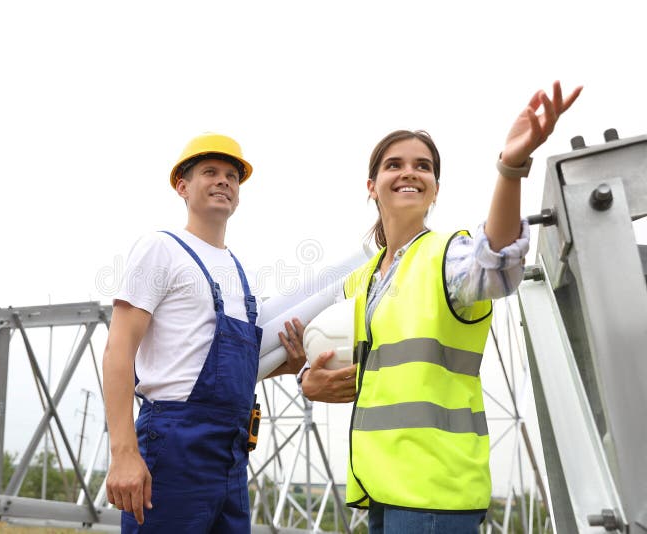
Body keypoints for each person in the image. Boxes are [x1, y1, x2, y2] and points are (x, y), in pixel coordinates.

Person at [281, 81, 582, 533]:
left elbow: (495, 256)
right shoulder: (362, 283)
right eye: (394, 165)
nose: (410, 173)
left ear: (436, 188)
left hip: (434, 495)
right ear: (371, 185)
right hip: (381, 491)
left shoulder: (448, 257)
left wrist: (511, 166)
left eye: (423, 166)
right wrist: (309, 379)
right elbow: (348, 363)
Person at [102, 132, 306, 533]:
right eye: (210, 172)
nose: (223, 181)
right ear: (182, 185)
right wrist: (123, 452)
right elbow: (118, 349)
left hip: (231, 453)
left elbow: (229, 368)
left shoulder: (239, 274)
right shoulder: (161, 248)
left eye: (232, 175)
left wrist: (289, 362)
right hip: (174, 444)